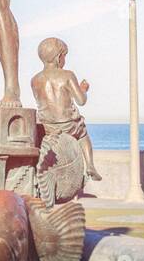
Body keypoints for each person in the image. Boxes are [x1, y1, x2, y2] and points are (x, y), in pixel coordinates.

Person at [30, 37, 101, 181]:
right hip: (68, 126)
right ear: (58, 57)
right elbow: (81, 101)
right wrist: (83, 89)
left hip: (46, 127)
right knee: (83, 135)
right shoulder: (67, 75)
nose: (64, 60)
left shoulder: (35, 80)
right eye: (64, 56)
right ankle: (90, 165)